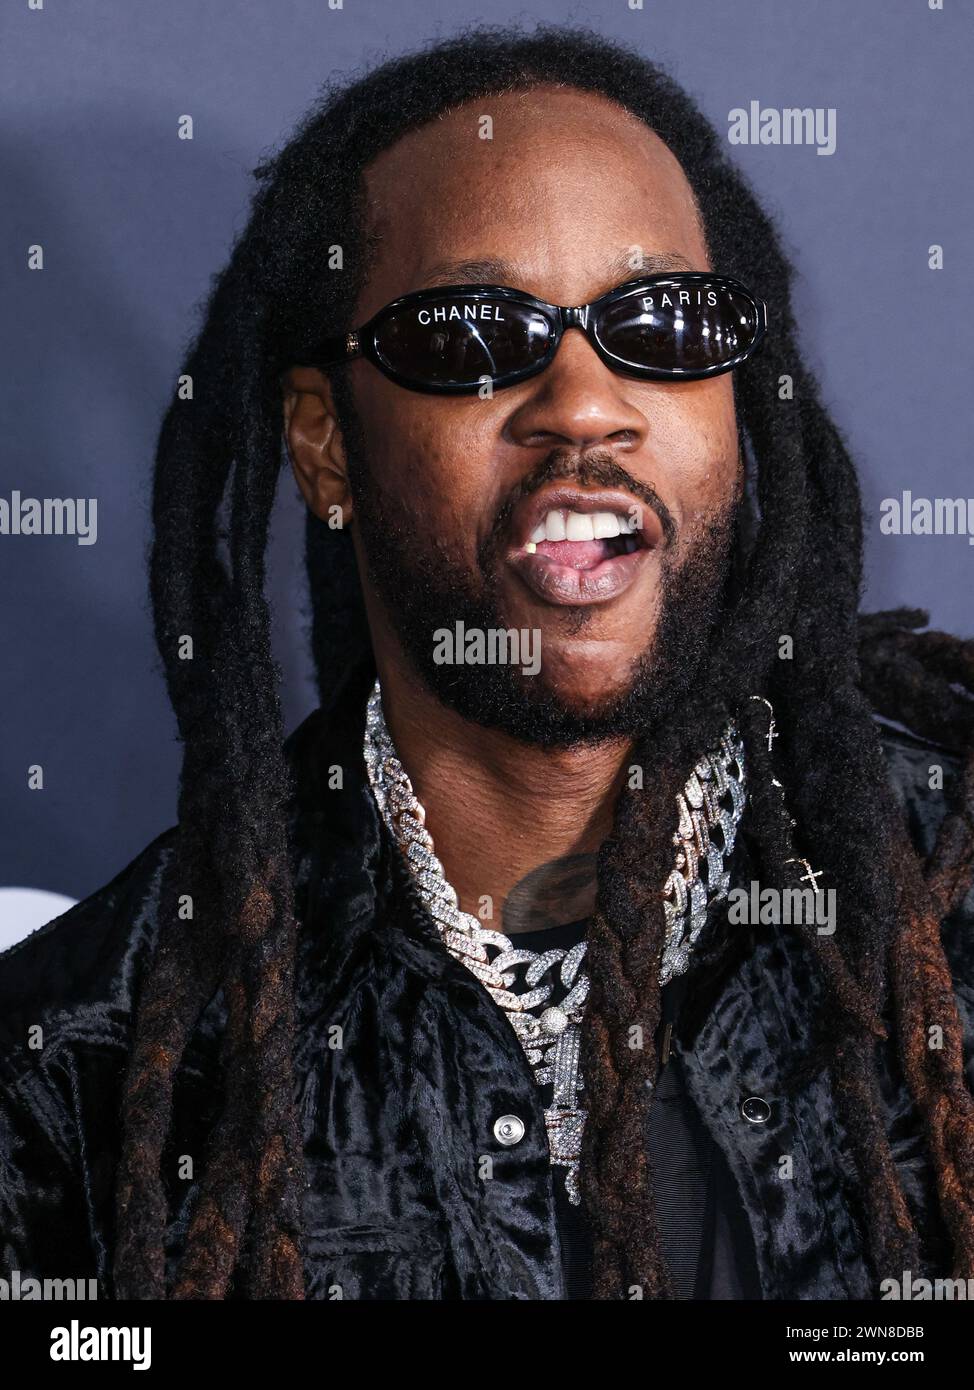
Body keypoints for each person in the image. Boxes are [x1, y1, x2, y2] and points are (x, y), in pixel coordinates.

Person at [2, 25, 972, 1302]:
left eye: (664, 325)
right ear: (324, 447)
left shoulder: (943, 899)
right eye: (470, 333)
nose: (584, 402)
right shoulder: (85, 1064)